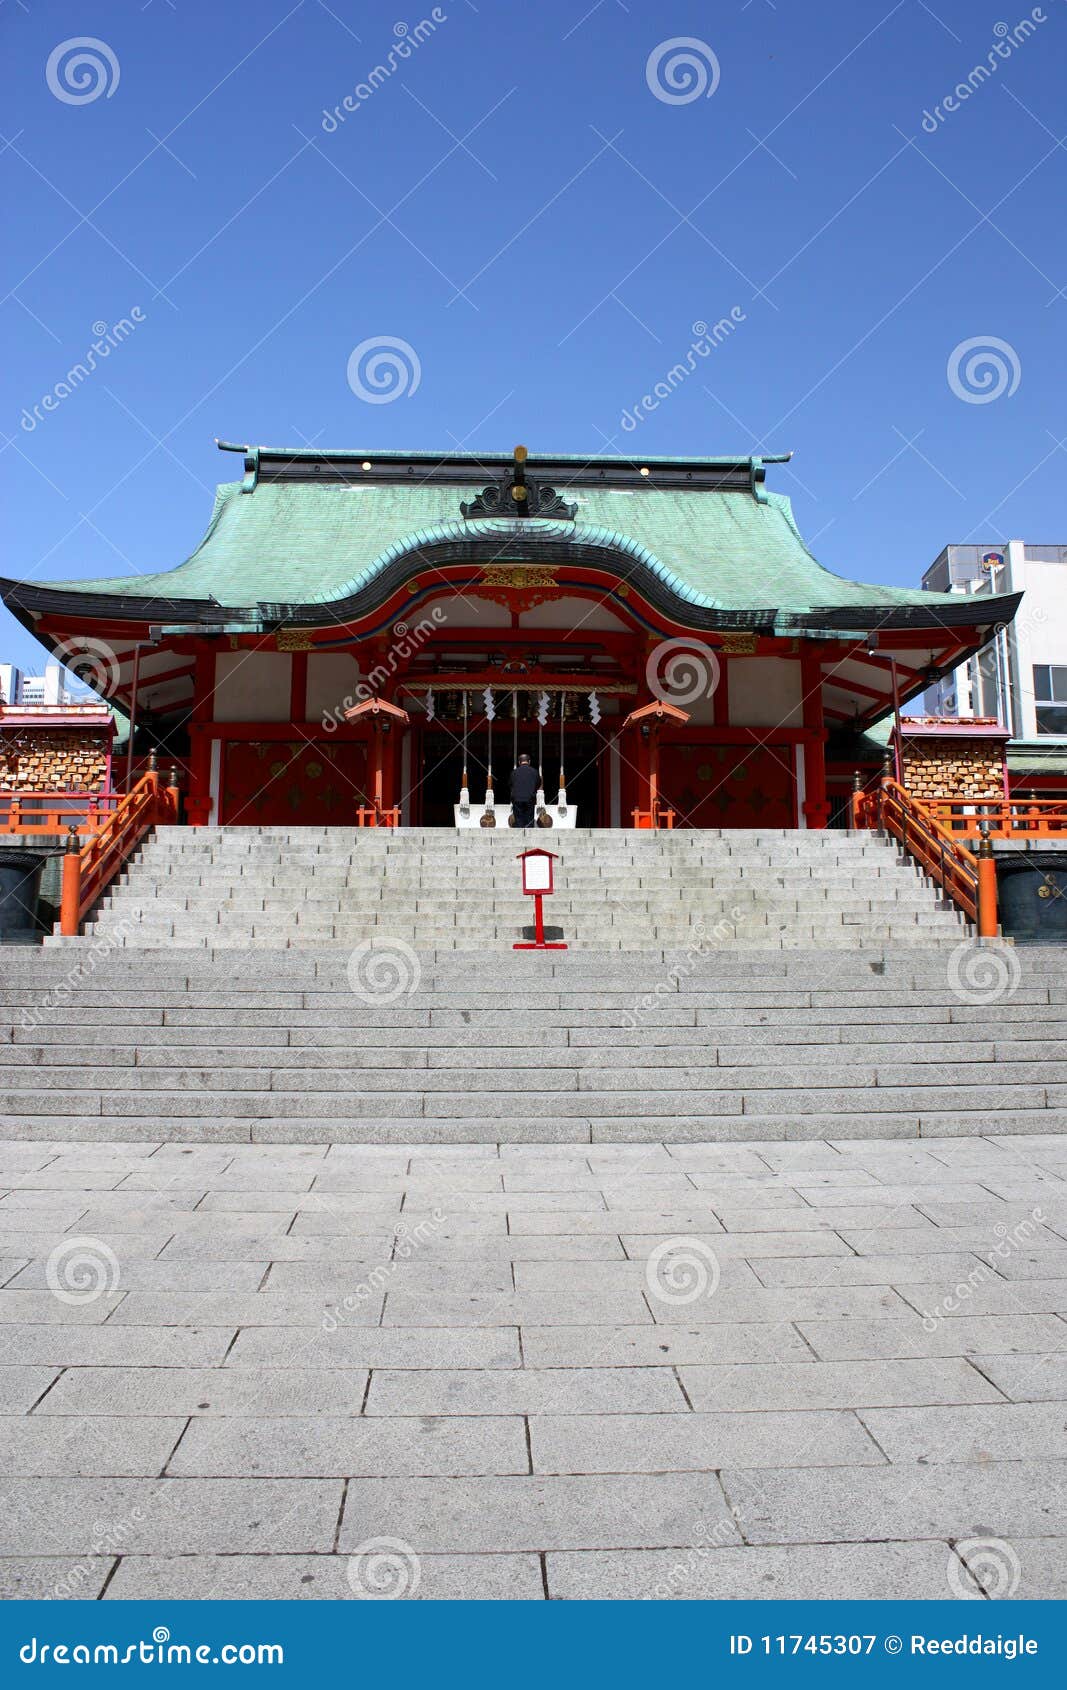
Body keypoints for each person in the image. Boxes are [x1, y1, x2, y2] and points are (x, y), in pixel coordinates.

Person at [509, 752, 539, 828]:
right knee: (529, 822)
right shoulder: (534, 772)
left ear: (519, 762)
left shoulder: (514, 772)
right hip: (530, 798)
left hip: (517, 799)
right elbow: (538, 784)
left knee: (519, 822)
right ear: (529, 761)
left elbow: (510, 785)